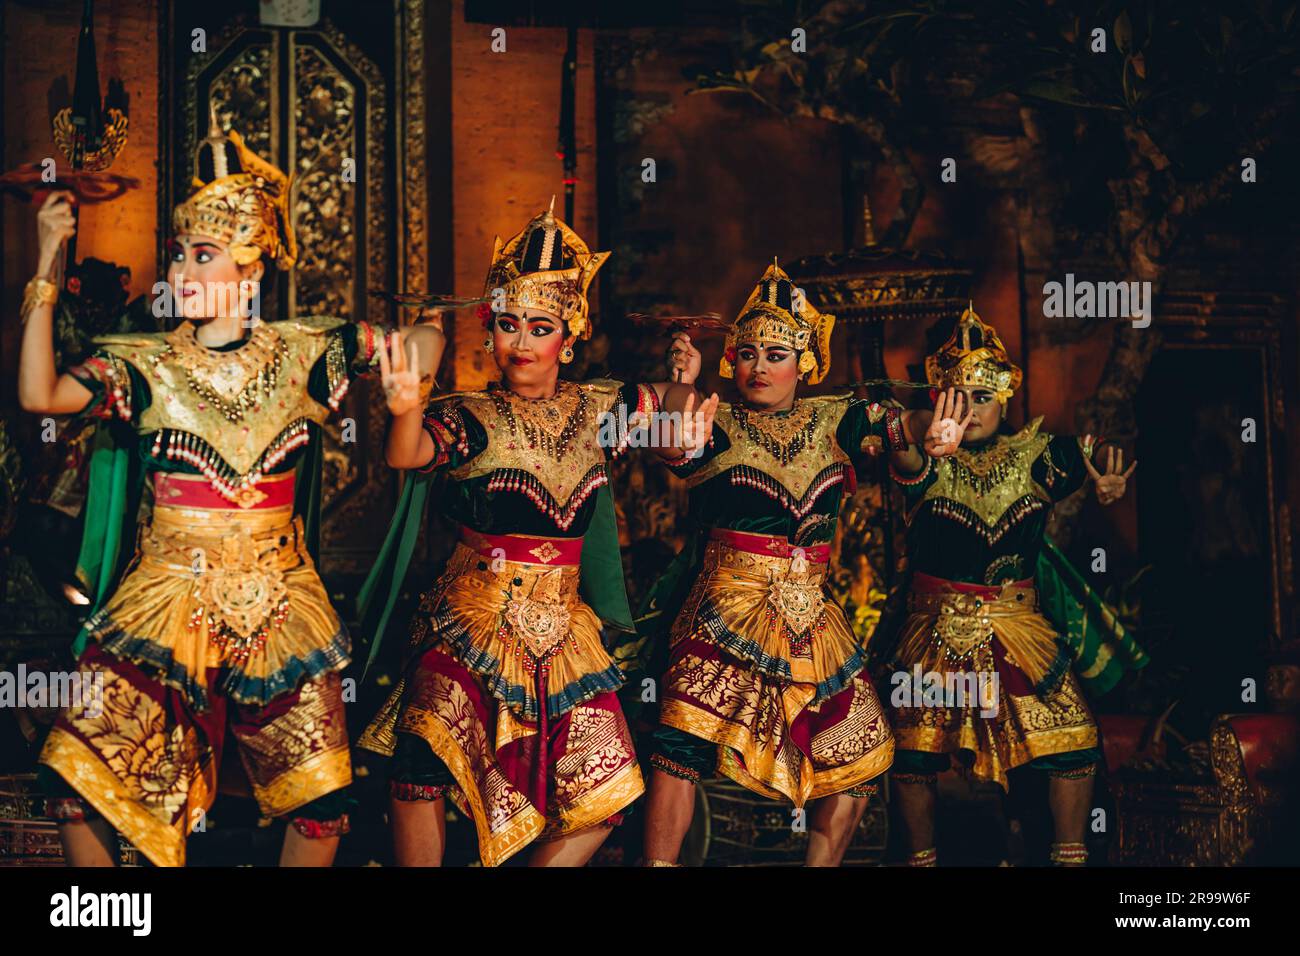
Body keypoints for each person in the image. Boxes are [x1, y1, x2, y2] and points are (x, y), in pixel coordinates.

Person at [21, 119, 432, 867]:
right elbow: (40, 393)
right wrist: (48, 259)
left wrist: (412, 390)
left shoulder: (308, 350)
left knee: (320, 807)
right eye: (179, 253)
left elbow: (419, 343)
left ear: (251, 266)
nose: (180, 270)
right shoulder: (144, 363)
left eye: (202, 255)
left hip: (281, 598)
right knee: (77, 786)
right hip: (167, 596)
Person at [358, 201, 669, 866]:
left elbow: (673, 419)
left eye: (540, 327)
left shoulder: (600, 408)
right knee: (421, 766)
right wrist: (406, 407)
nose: (521, 343)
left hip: (565, 630)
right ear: (489, 332)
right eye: (506, 325)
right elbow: (406, 455)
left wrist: (687, 409)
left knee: (607, 793)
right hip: (474, 618)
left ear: (571, 335)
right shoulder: (468, 415)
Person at [639, 260, 971, 866]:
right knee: (680, 743)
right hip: (724, 605)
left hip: (811, 618)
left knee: (861, 752)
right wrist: (683, 384)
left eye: (775, 354)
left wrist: (931, 435)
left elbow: (905, 437)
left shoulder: (839, 417)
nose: (758, 367)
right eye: (746, 354)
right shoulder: (715, 422)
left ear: (806, 361)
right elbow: (671, 438)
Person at [886, 303, 1145, 867]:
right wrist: (920, 429)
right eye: (955, 396)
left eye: (981, 396)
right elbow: (900, 447)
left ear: (1004, 396)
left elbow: (1091, 447)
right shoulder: (927, 459)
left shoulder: (1036, 455)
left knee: (1072, 740)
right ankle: (922, 861)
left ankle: (1068, 857)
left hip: (1018, 630)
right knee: (915, 755)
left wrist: (1106, 468)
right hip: (936, 631)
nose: (969, 410)